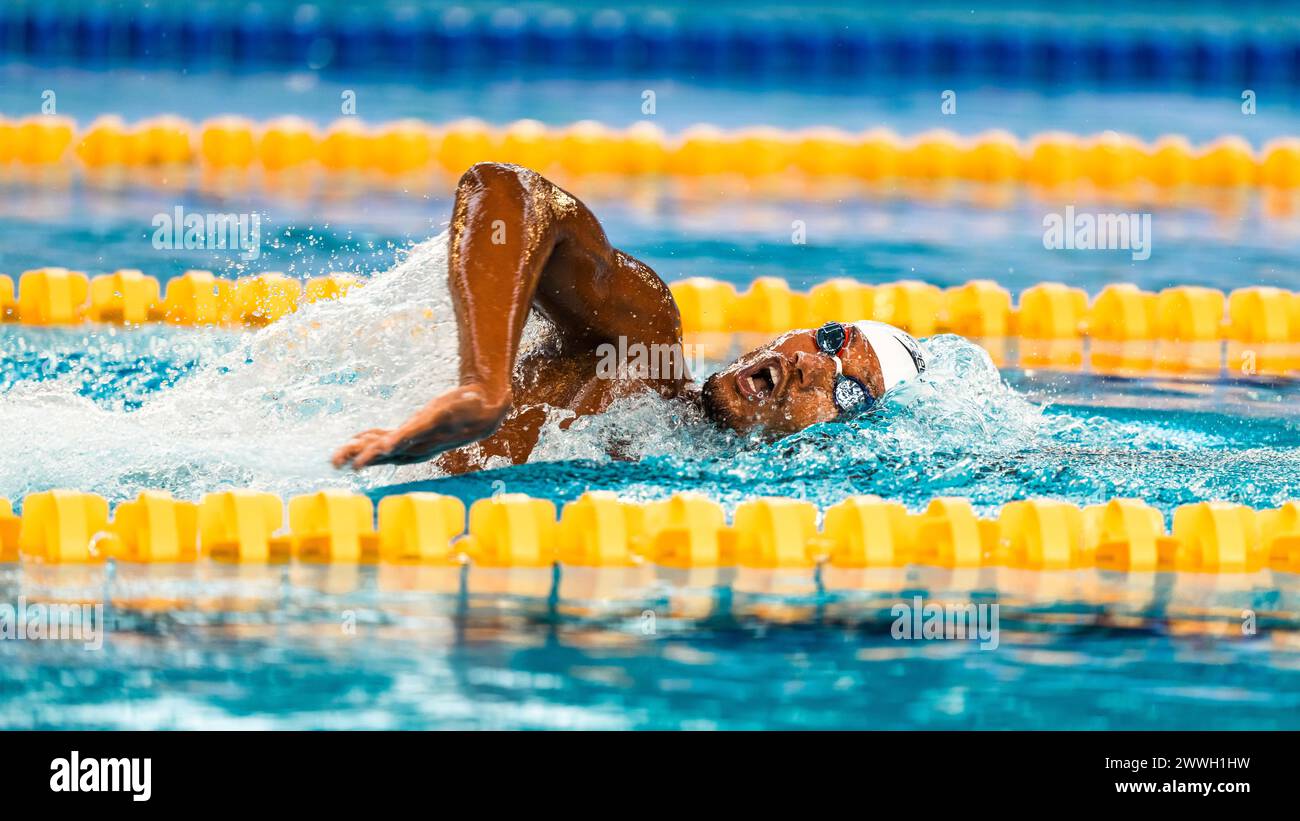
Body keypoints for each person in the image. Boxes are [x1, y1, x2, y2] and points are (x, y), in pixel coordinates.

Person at [332, 162, 926, 474]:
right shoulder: (641, 349)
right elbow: (507, 190)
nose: (804, 365)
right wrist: (482, 387)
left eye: (846, 390)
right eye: (828, 339)